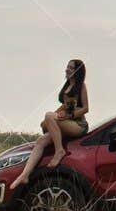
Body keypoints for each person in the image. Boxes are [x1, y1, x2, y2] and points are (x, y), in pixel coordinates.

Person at [11, 59, 88, 192]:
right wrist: (48, 120)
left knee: (49, 115)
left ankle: (59, 150)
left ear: (77, 71)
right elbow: (64, 106)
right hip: (67, 123)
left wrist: (67, 116)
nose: (67, 69)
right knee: (41, 141)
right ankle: (25, 175)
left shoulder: (81, 86)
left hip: (78, 124)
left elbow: (86, 108)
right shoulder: (67, 86)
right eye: (67, 66)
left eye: (70, 67)